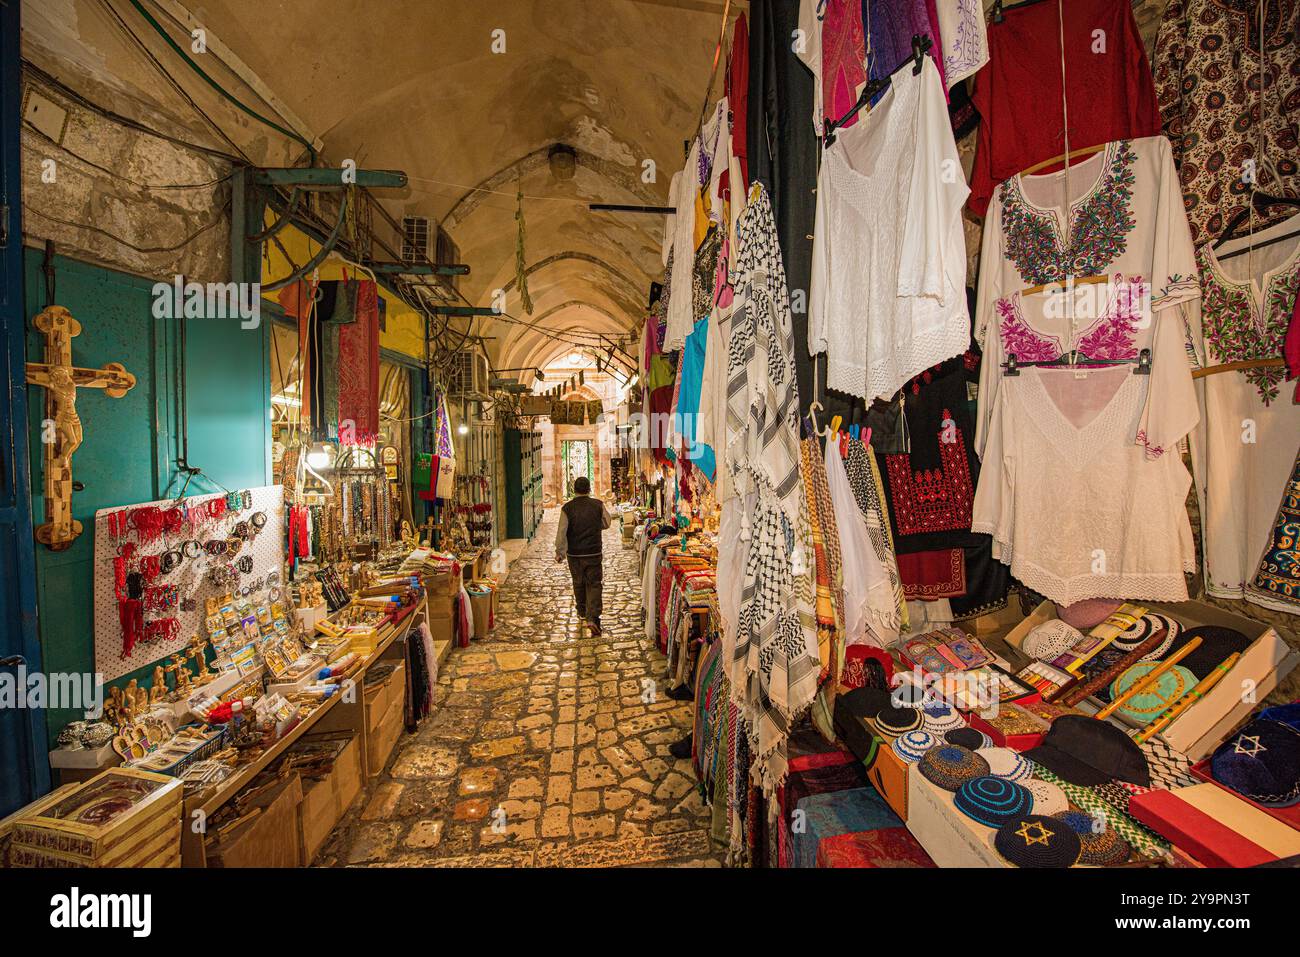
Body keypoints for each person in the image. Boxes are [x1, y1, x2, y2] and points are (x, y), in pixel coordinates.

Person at [555, 476, 613, 636]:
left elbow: (562, 532)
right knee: (594, 583)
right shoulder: (598, 505)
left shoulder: (567, 508)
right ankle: (593, 617)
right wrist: (596, 526)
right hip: (594, 552)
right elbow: (607, 523)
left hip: (574, 553)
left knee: (578, 582)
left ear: (574, 490)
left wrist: (560, 552)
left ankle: (582, 611)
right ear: (589, 489)